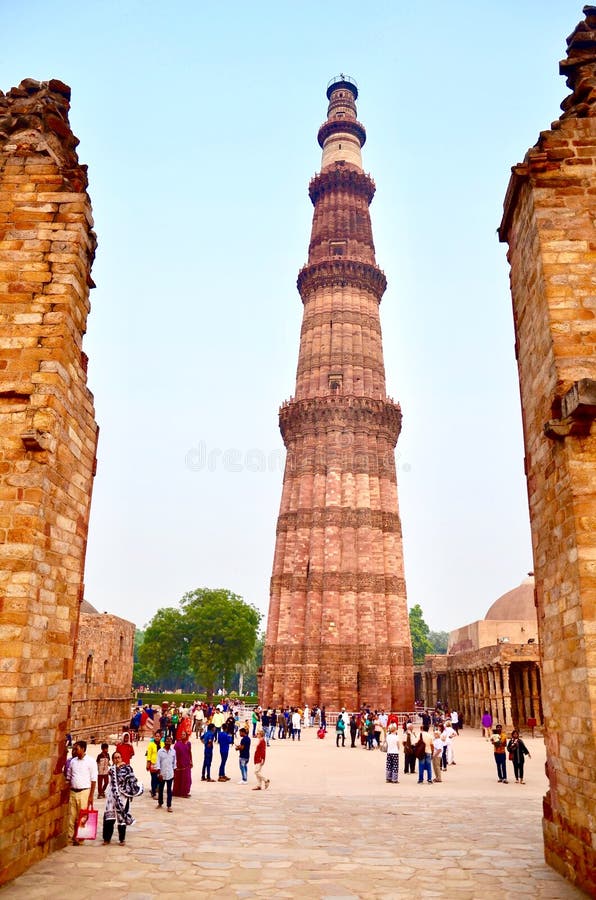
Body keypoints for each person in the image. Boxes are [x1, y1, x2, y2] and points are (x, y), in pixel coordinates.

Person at [102, 750, 143, 845]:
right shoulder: (111, 769)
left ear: (121, 758)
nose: (117, 759)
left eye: (118, 757)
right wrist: (116, 768)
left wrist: (131, 793)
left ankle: (122, 839)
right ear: (112, 759)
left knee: (122, 818)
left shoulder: (128, 768)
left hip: (123, 796)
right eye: (115, 758)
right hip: (112, 796)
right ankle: (107, 838)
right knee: (109, 817)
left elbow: (132, 780)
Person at [66, 740, 97, 846]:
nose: (74, 751)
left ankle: (80, 838)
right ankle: (70, 838)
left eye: (76, 748)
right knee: (71, 816)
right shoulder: (73, 762)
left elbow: (93, 779)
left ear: (83, 749)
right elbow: (69, 777)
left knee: (82, 816)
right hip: (73, 791)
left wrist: (91, 796)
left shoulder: (91, 761)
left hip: (84, 791)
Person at [156, 735, 176, 811]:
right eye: (167, 740)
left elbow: (174, 763)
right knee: (160, 789)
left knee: (169, 790)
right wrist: (159, 773)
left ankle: (169, 805)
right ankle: (160, 803)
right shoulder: (160, 751)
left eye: (170, 740)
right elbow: (158, 762)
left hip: (170, 773)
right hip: (162, 773)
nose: (168, 742)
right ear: (164, 742)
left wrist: (174, 772)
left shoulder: (173, 751)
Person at [173, 730, 193, 797]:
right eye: (181, 734)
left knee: (187, 778)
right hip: (179, 763)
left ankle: (185, 792)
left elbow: (190, 752)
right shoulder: (177, 744)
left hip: (186, 763)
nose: (182, 736)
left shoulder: (188, 743)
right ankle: (177, 792)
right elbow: (174, 754)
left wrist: (191, 761)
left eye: (184, 734)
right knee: (178, 778)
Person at [146, 730, 163, 799]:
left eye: (158, 736)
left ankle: (156, 789)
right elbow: (149, 755)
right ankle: (153, 793)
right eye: (156, 736)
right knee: (154, 778)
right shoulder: (151, 744)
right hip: (153, 763)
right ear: (154, 737)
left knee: (159, 778)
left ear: (160, 737)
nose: (157, 737)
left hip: (161, 764)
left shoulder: (162, 744)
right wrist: (148, 763)